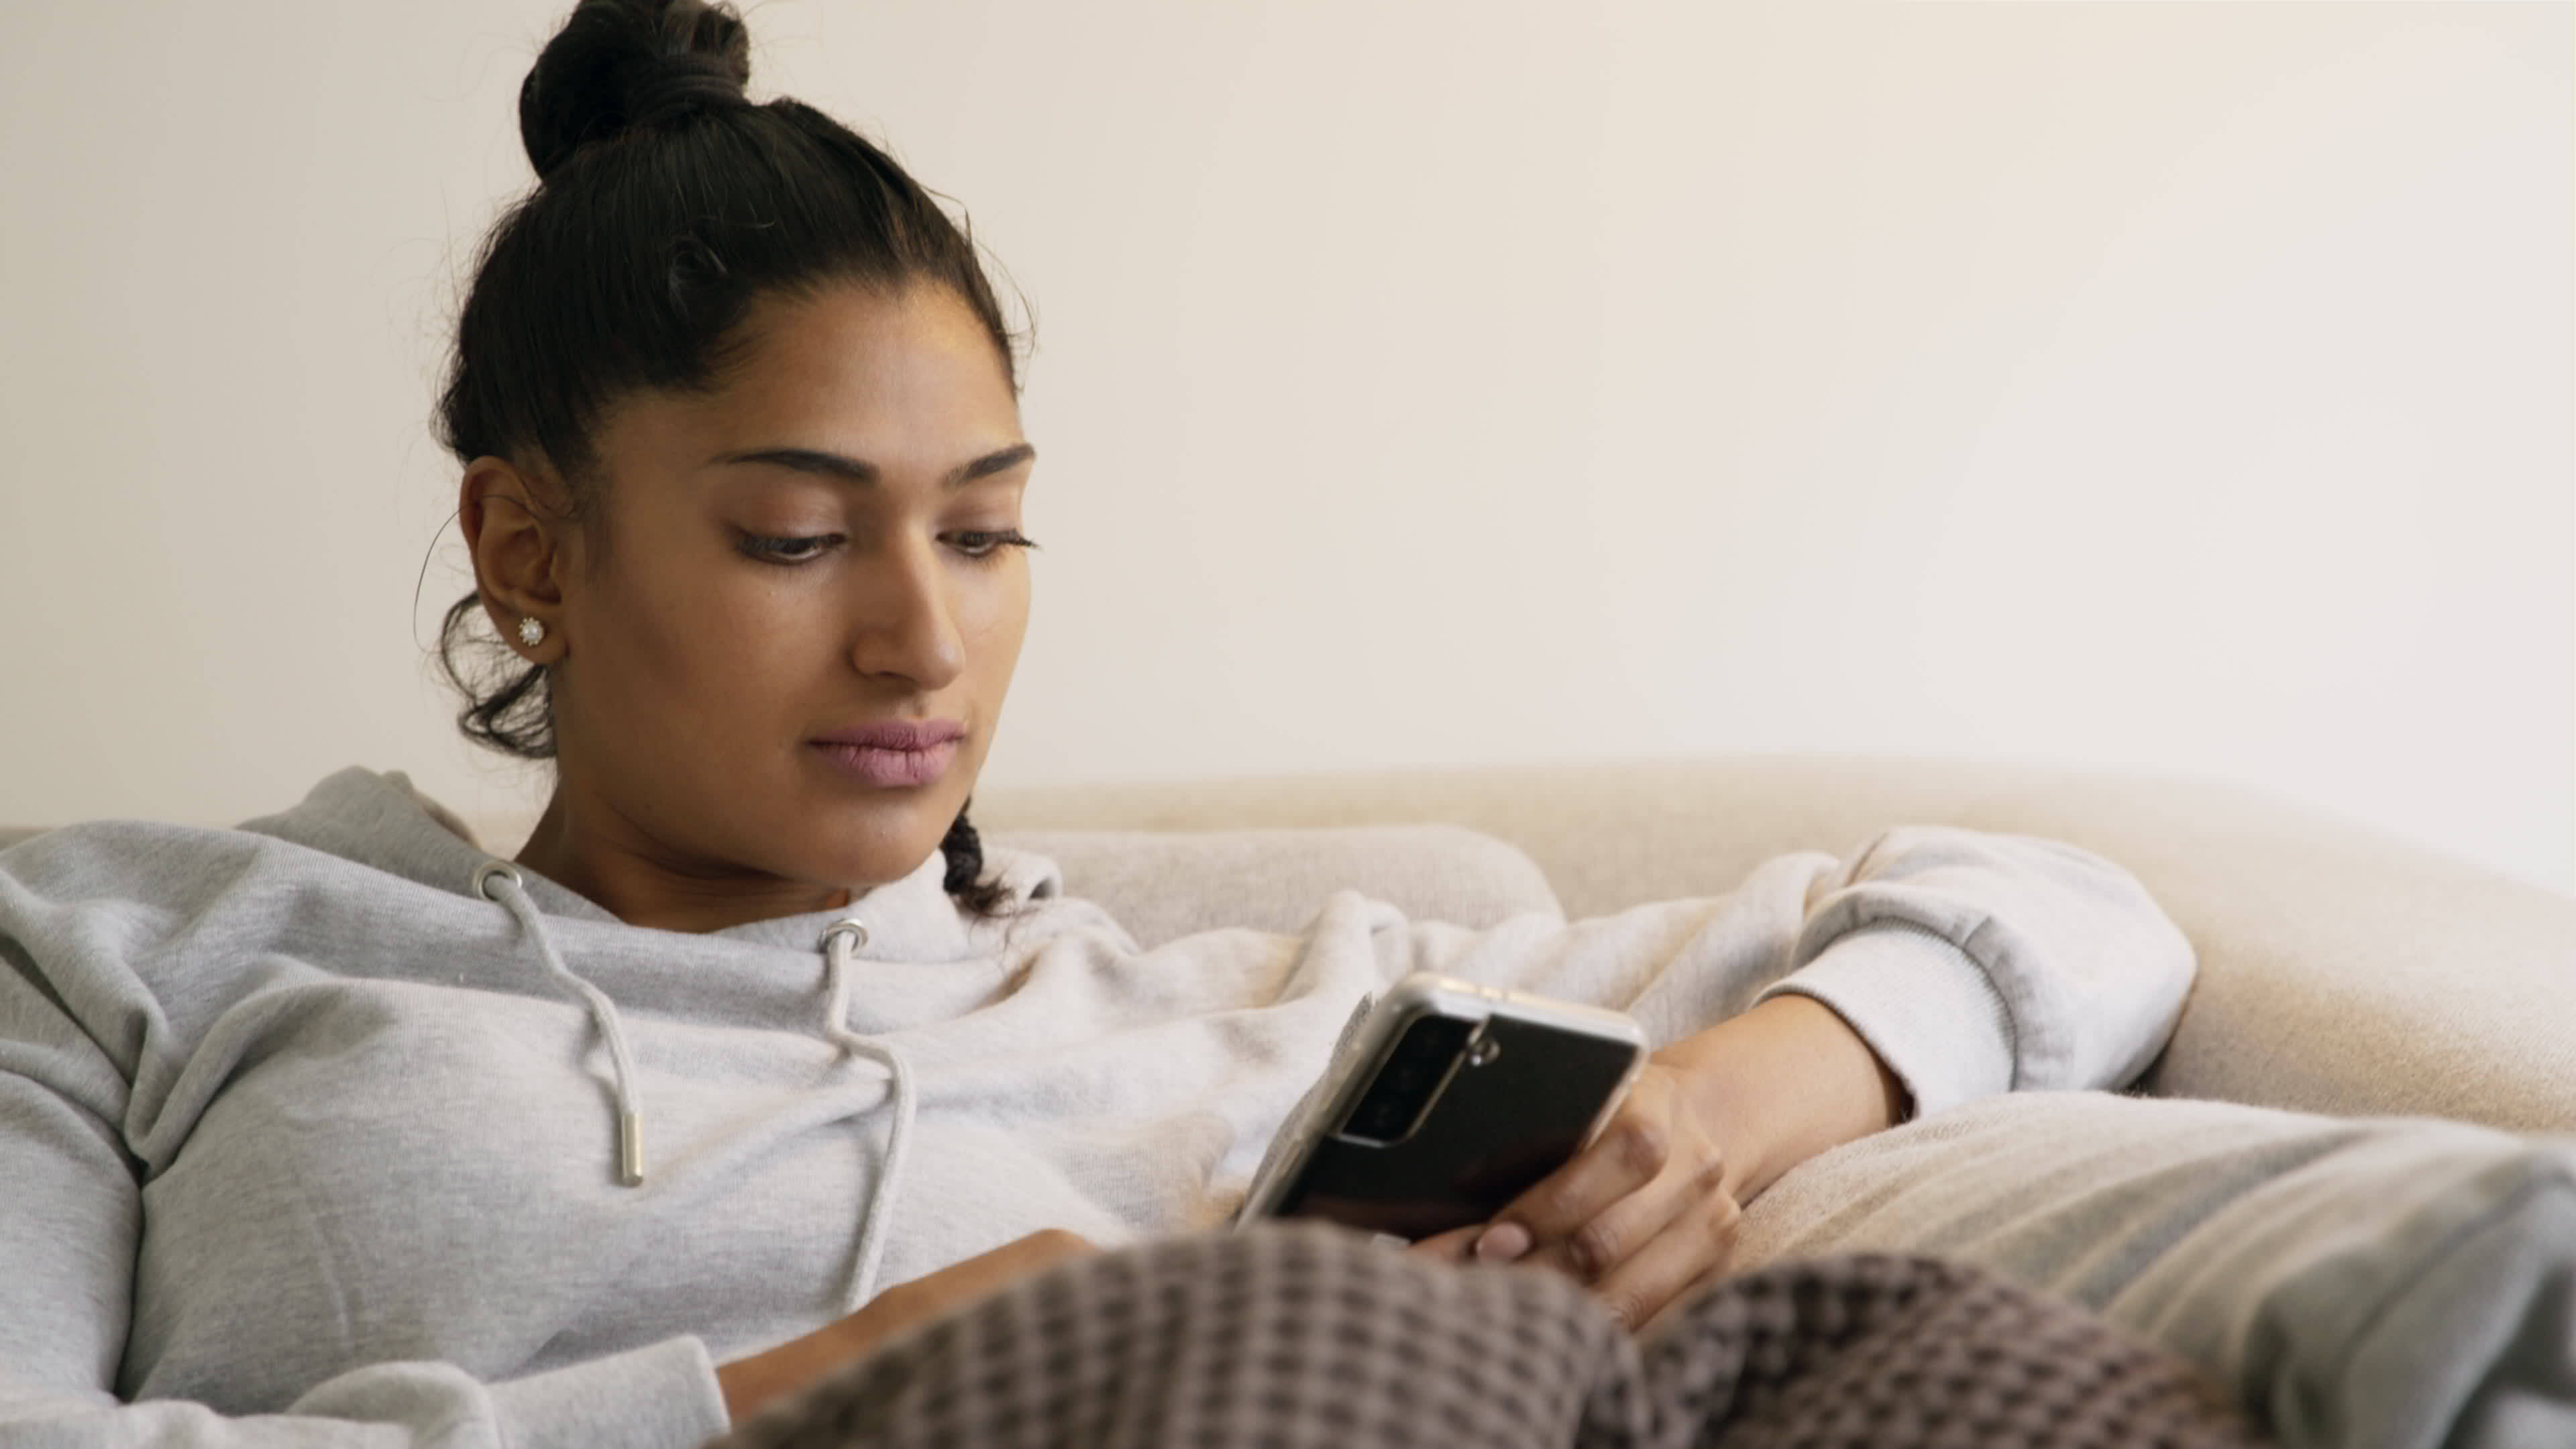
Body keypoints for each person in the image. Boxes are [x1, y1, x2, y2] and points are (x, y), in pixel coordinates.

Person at [3, 3, 2548, 1446]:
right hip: (1213, 1403)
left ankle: (2477, 1300)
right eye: (799, 538)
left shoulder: (1247, 995)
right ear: (527, 548)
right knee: (1286, 1334)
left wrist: (1698, 1119)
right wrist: (814, 1388)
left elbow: (2059, 912)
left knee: (1872, 1337)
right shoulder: (137, 954)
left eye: (984, 533)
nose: (924, 648)